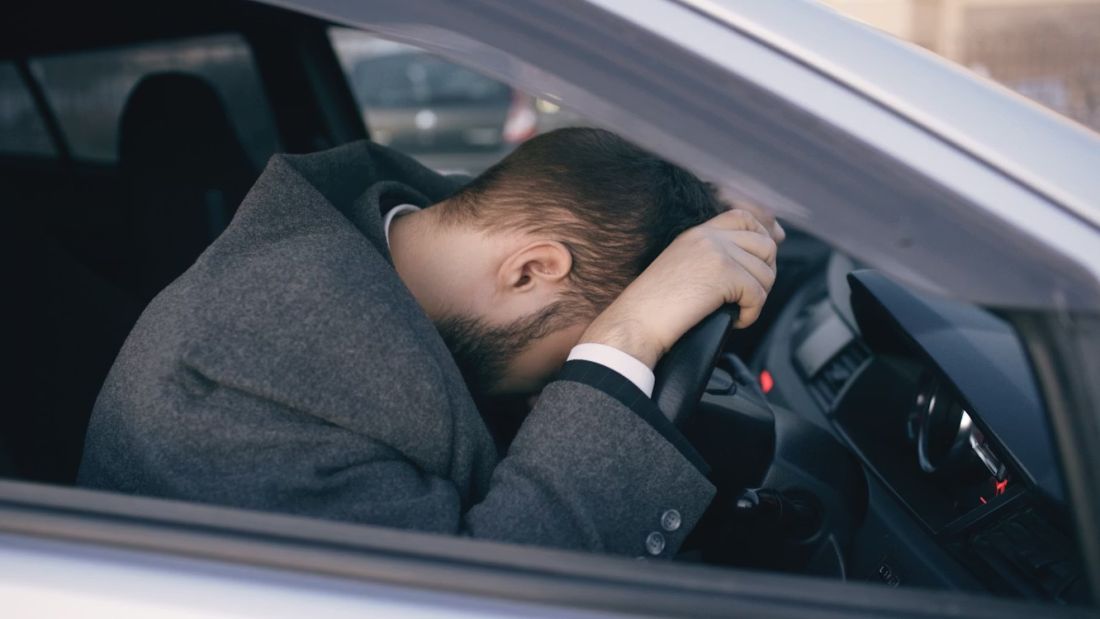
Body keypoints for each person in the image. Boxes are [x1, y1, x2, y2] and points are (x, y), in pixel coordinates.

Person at [79, 128, 778, 558]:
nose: (552, 393)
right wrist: (627, 338)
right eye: (573, 357)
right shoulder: (254, 364)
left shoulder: (396, 250)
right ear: (531, 269)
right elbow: (487, 603)